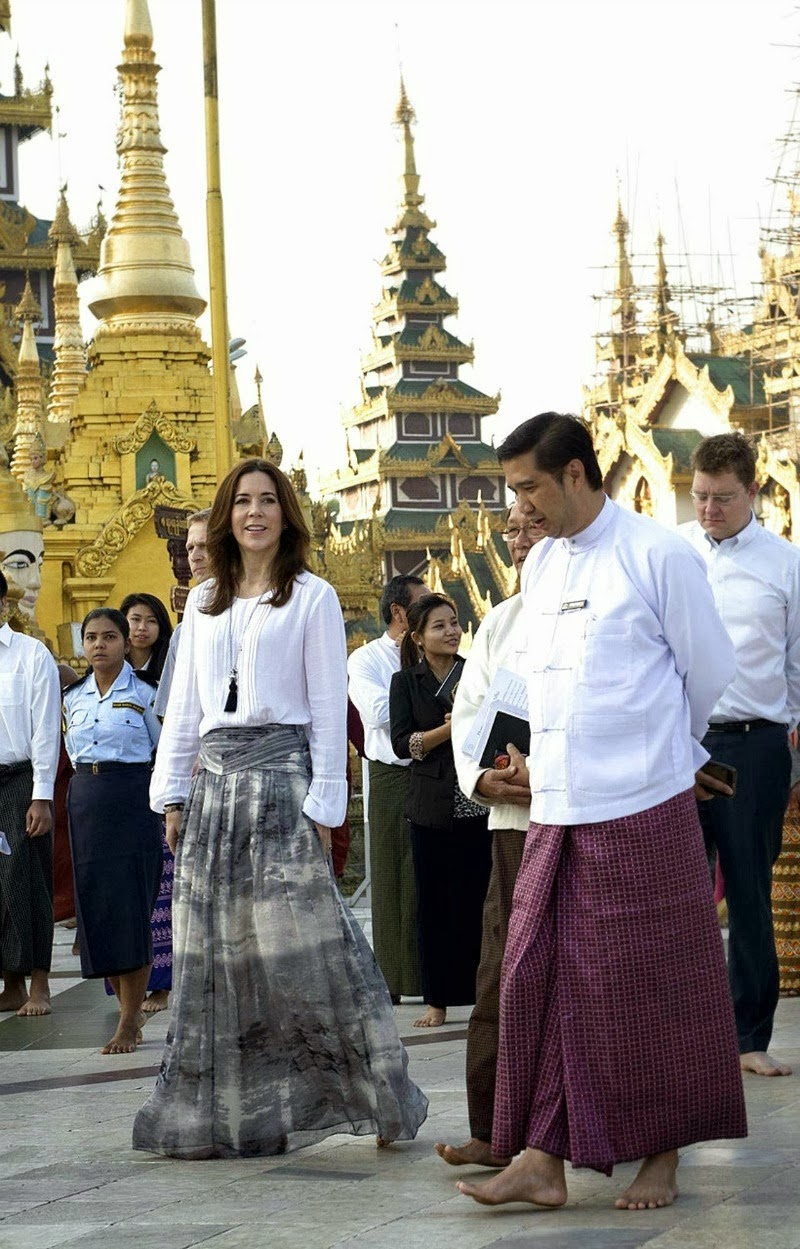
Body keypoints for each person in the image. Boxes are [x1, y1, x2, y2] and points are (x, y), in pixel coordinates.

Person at [456, 412, 746, 1212]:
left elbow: (707, 673)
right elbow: (541, 680)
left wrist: (661, 753)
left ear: (576, 474)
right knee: (537, 975)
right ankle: (542, 1158)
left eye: (529, 488)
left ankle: (662, 1156)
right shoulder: (545, 563)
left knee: (652, 984)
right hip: (556, 805)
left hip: (643, 802)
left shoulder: (658, 554)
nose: (520, 506)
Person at [133, 457, 428, 1159]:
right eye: (243, 501)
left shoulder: (313, 597)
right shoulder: (203, 602)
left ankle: (373, 1092)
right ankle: (232, 1116)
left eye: (268, 500)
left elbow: (327, 708)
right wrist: (171, 794)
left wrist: (325, 803)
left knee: (308, 947)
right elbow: (185, 709)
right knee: (215, 956)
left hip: (280, 786)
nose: (255, 512)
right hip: (211, 790)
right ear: (227, 515)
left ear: (284, 514)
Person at [681, 431, 800, 1078]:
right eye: (700, 496)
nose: (709, 510)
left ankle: (748, 1035)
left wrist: (791, 745)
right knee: (679, 886)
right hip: (680, 742)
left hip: (756, 744)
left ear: (752, 490)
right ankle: (686, 1028)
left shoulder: (785, 564)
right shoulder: (672, 552)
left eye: (723, 498)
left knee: (749, 887)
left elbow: (797, 665)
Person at [436, 502, 539, 1167]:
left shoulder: (605, 614)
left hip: (585, 814)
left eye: (534, 524)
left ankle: (595, 1129)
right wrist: (483, 776)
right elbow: (472, 714)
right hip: (512, 823)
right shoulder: (502, 622)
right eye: (512, 530)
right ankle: (496, 1128)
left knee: (590, 975)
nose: (520, 540)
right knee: (500, 972)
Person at [390, 593, 492, 1028]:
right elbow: (403, 744)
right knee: (433, 905)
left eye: (454, 622)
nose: (451, 631)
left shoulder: (474, 673)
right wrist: (447, 731)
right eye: (439, 626)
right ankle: (437, 999)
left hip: (478, 800)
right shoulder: (406, 683)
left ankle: (486, 994)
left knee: (482, 902)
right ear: (418, 637)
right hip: (430, 806)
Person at [63, 608, 163, 1053]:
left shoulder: (146, 693)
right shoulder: (72, 697)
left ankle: (128, 1019)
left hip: (132, 799)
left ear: (125, 642)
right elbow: (71, 751)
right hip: (87, 800)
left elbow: (164, 750)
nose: (99, 645)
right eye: (91, 637)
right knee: (100, 910)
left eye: (108, 636)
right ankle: (129, 1010)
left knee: (130, 909)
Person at [347, 574, 427, 1001]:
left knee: (431, 876)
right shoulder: (366, 659)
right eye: (423, 602)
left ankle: (435, 979)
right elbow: (379, 714)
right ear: (399, 611)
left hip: (436, 770)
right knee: (392, 874)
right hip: (392, 773)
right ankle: (395, 979)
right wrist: (429, 709)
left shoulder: (435, 652)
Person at [0, 571, 60, 1017]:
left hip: (21, 780)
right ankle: (12, 983)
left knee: (27, 879)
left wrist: (41, 795)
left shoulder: (29, 654)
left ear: (4, 605)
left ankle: (40, 983)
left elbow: (45, 728)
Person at [119, 592, 174, 1016]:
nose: (141, 628)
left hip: (159, 787)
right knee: (125, 889)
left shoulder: (168, 674)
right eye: (134, 619)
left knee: (162, 887)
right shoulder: (107, 675)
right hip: (118, 791)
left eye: (150, 620)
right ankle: (125, 983)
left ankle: (163, 983)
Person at [154, 510, 211, 716]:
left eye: (205, 546)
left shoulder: (262, 614)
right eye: (190, 549)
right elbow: (171, 712)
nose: (194, 557)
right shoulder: (183, 633)